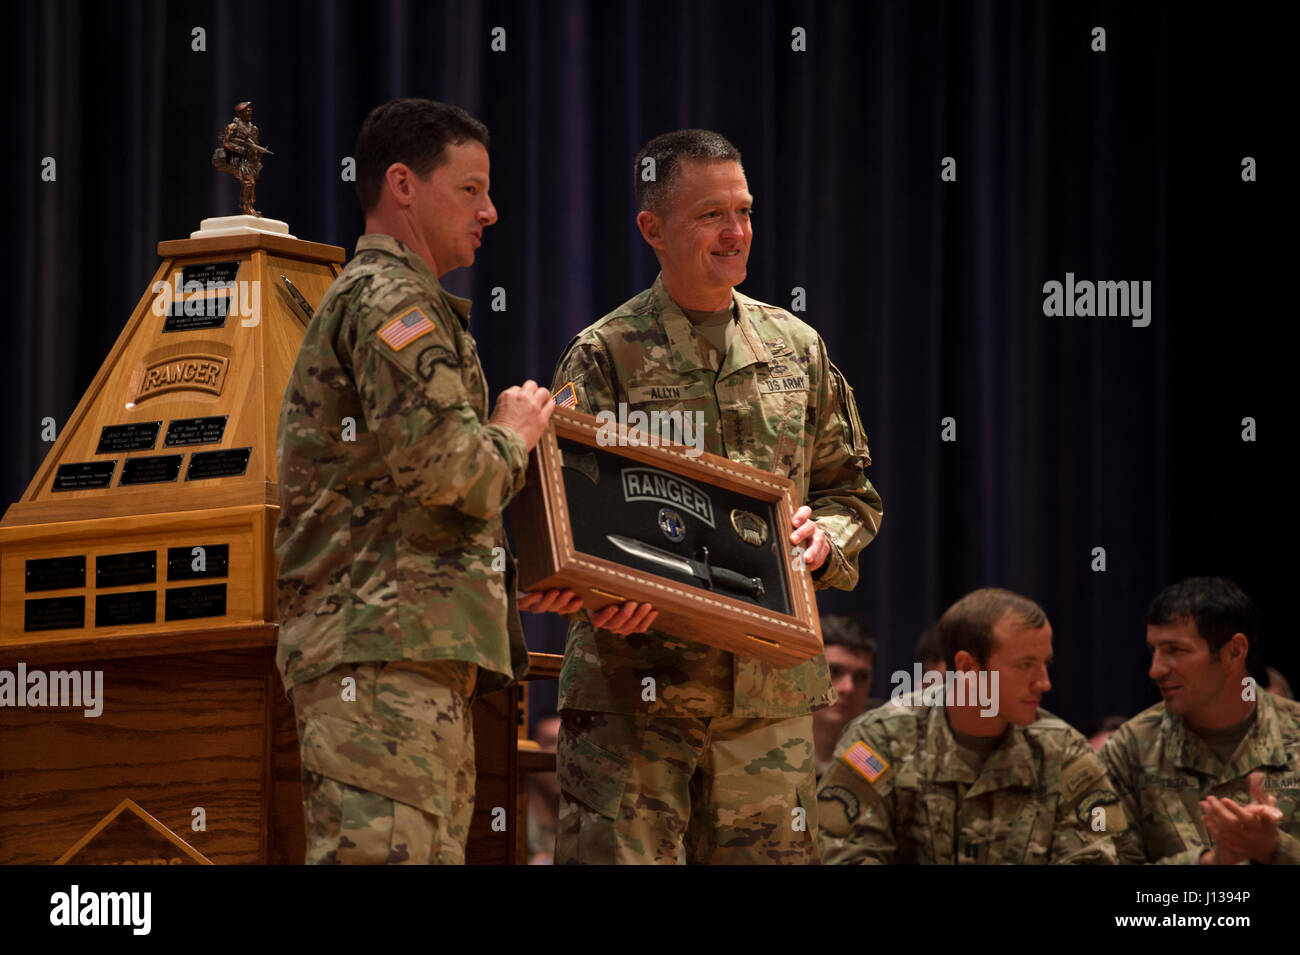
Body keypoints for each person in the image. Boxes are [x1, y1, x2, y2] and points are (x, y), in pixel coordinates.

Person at [549, 129, 883, 864]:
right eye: (710, 215)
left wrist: (824, 542)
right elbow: (560, 519)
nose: (736, 233)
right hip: (634, 694)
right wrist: (601, 590)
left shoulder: (797, 347)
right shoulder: (605, 353)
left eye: (744, 210)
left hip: (768, 700)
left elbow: (850, 493)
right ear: (653, 229)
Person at [275, 98, 580, 865]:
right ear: (403, 185)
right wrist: (513, 427)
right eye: (470, 189)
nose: (491, 210)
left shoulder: (403, 300)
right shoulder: (390, 298)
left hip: (411, 652)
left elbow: (422, 494)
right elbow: (456, 472)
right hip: (380, 656)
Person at [818, 588, 1122, 864]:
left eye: (1046, 664)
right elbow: (847, 853)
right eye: (1026, 665)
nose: (1044, 682)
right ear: (967, 667)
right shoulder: (879, 740)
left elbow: (1095, 857)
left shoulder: (1064, 751)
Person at [1100, 577, 1300, 864]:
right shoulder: (1130, 749)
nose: (1155, 670)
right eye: (1153, 651)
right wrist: (1211, 862)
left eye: (1174, 650)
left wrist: (1275, 847)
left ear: (1234, 651)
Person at [813, 615, 879, 779]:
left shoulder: (882, 752)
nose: (848, 688)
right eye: (834, 671)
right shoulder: (770, 749)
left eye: (861, 677)